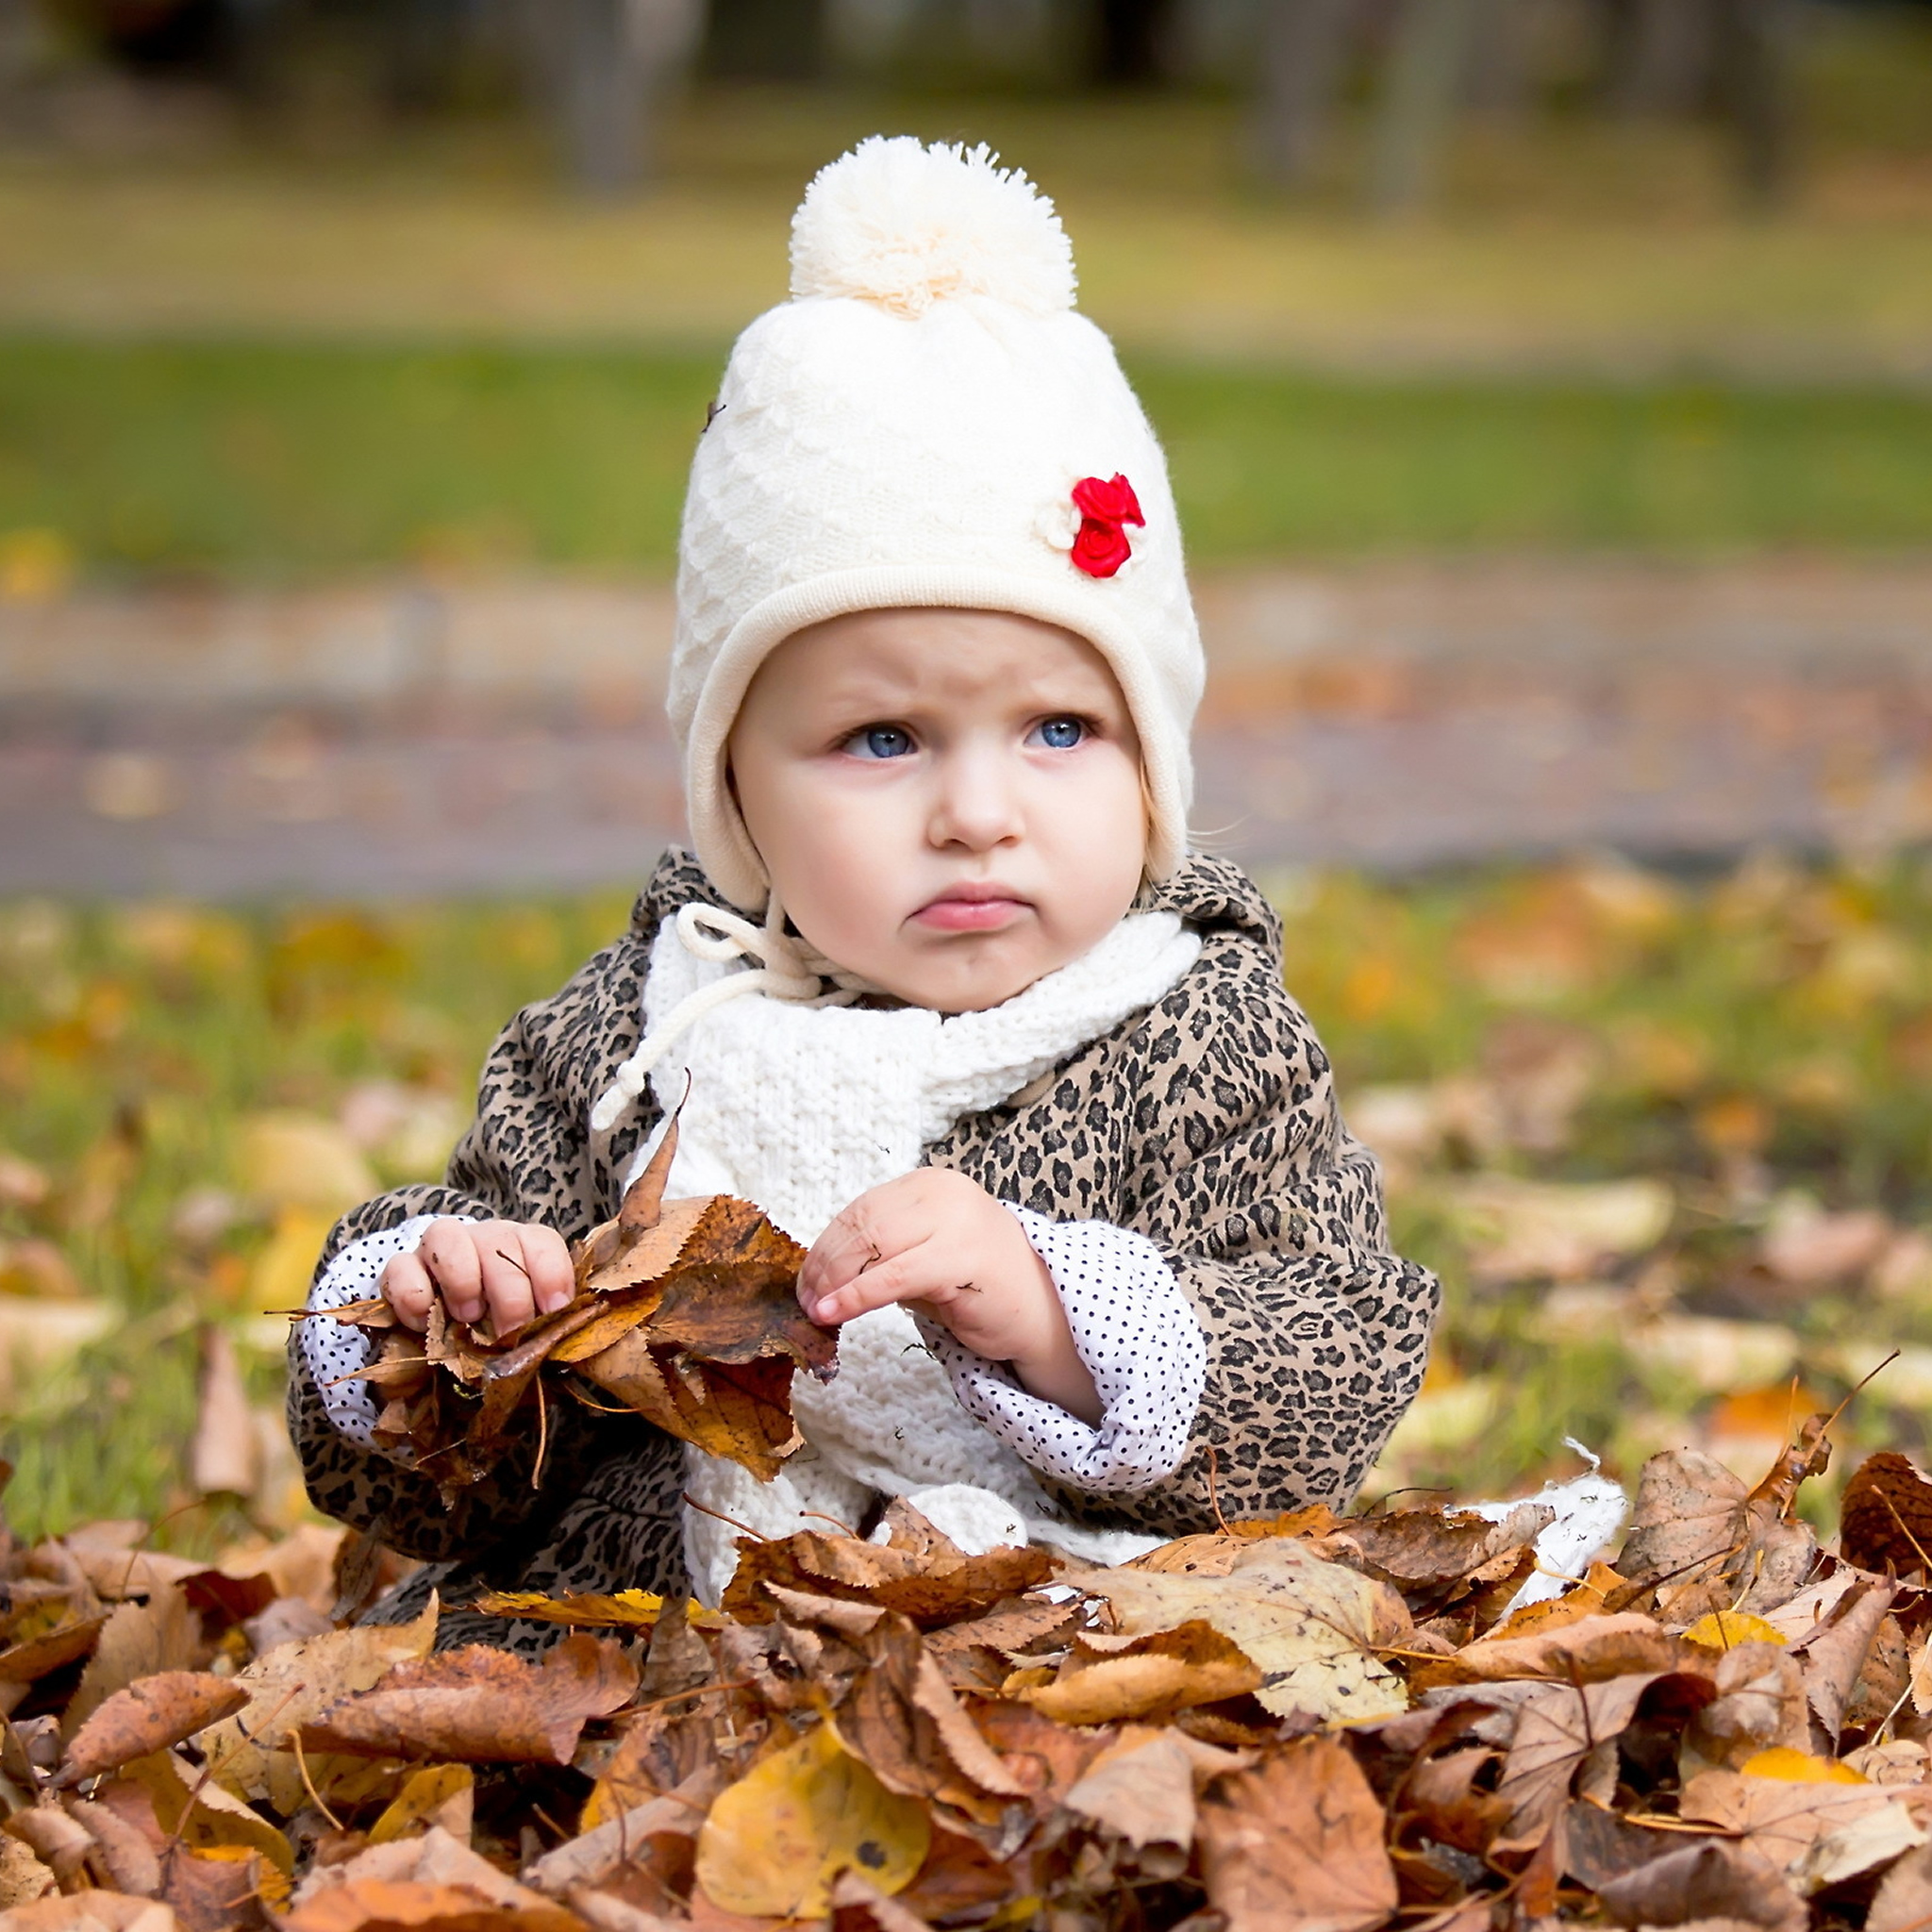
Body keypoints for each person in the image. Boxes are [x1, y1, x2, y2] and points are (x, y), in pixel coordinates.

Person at [290, 136, 1441, 1651]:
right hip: (651, 1639)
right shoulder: (640, 1038)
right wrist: (447, 1324)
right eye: (881, 739)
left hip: (1061, 1631)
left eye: (1060, 730)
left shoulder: (1192, 1033)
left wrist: (1059, 1315)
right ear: (740, 798)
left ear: (1154, 770)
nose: (977, 813)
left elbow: (1334, 1362)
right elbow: (437, 1501)